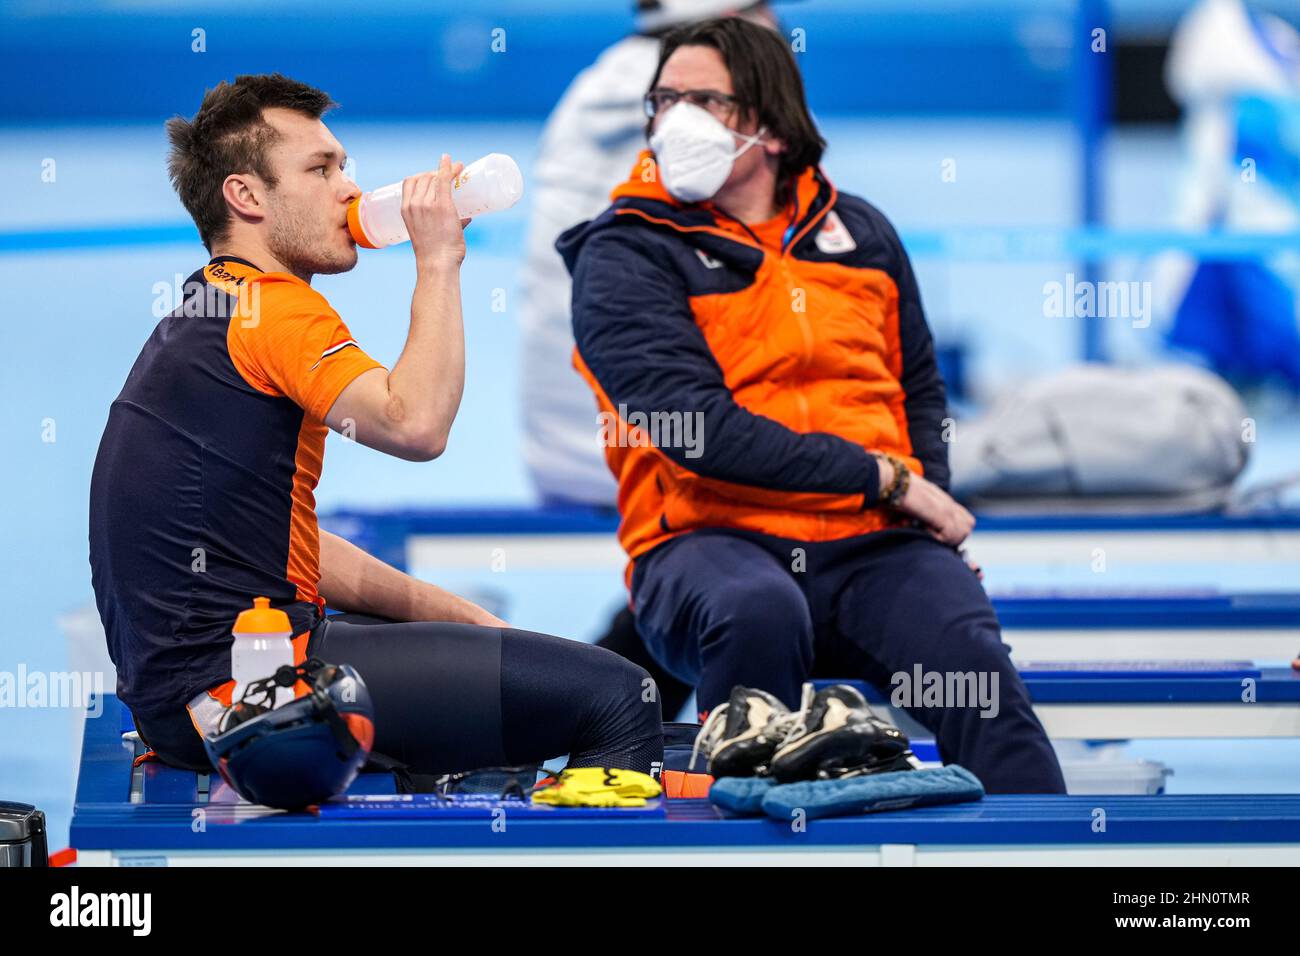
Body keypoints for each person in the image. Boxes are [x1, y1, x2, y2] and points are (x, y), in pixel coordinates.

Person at [88, 73, 661, 778]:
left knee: (495, 683)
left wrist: (451, 612)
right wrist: (441, 257)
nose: (350, 191)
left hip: (185, 702)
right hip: (255, 693)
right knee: (619, 694)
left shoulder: (211, 307)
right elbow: (415, 426)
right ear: (245, 196)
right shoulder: (276, 309)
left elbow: (272, 539)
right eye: (321, 170)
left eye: (345, 167)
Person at [560, 19, 1065, 793]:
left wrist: (926, 508)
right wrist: (890, 482)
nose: (675, 120)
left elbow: (918, 388)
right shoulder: (625, 252)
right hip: (706, 539)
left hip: (872, 544)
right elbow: (701, 436)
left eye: (703, 100)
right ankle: (745, 831)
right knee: (756, 611)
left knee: (972, 664)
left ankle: (1047, 853)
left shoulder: (860, 231)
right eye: (663, 99)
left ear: (767, 121)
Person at [520, 0, 786, 720]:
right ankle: (589, 712)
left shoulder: (606, 87)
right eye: (764, 11)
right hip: (627, 444)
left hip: (578, 434)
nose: (777, 28)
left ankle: (601, 709)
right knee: (786, 528)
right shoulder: (698, 119)